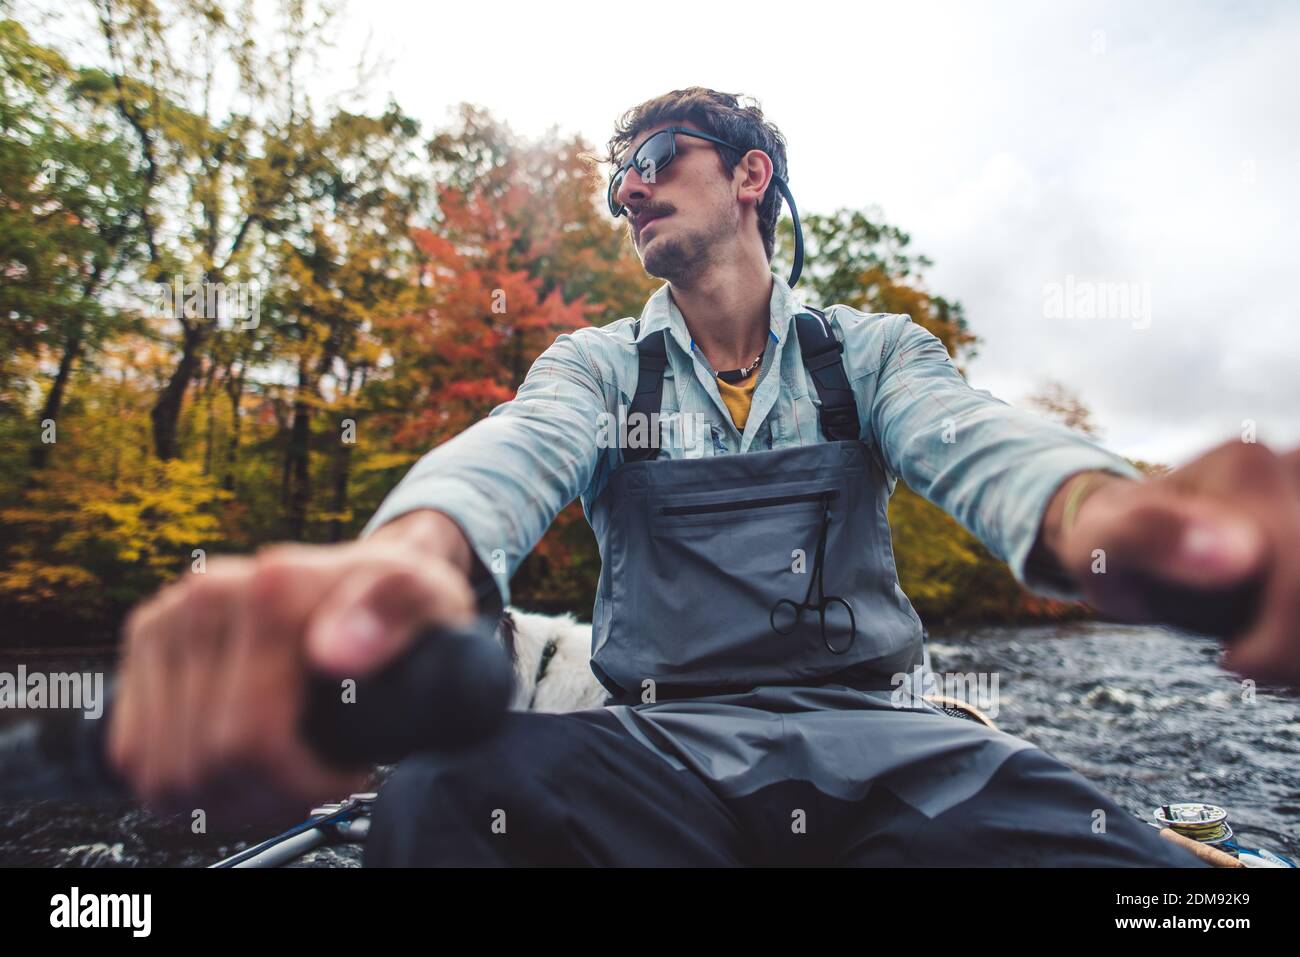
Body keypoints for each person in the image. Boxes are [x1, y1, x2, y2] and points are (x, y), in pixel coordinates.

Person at [108, 87, 1299, 866]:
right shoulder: (594, 367)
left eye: (650, 160)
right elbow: (513, 454)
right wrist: (406, 560)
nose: (626, 188)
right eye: (614, 180)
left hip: (890, 747)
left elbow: (979, 444)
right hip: (654, 755)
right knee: (441, 796)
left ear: (749, 176)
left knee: (1129, 870)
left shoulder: (871, 354)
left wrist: (1119, 512)